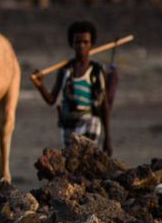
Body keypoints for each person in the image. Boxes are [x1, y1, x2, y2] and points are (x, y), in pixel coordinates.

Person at [30, 20, 113, 155]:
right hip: (68, 123)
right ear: (72, 44)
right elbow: (51, 99)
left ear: (91, 45)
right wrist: (40, 86)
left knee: (87, 159)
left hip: (89, 121)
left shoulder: (96, 71)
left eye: (85, 42)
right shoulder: (65, 70)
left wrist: (108, 138)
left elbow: (104, 105)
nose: (81, 46)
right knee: (72, 163)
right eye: (77, 42)